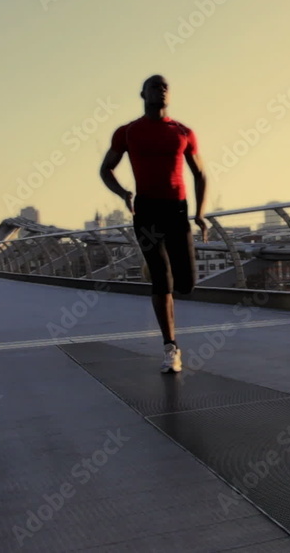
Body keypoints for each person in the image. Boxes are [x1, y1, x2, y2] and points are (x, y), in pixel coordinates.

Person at [100, 74, 208, 373]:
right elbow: (106, 169)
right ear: (142, 94)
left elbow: (200, 174)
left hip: (177, 210)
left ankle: (157, 265)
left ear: (168, 95)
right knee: (162, 281)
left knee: (185, 284)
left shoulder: (183, 132)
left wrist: (200, 213)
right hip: (147, 210)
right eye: (154, 86)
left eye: (165, 87)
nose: (160, 90)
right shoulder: (128, 132)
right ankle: (170, 348)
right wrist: (123, 193)